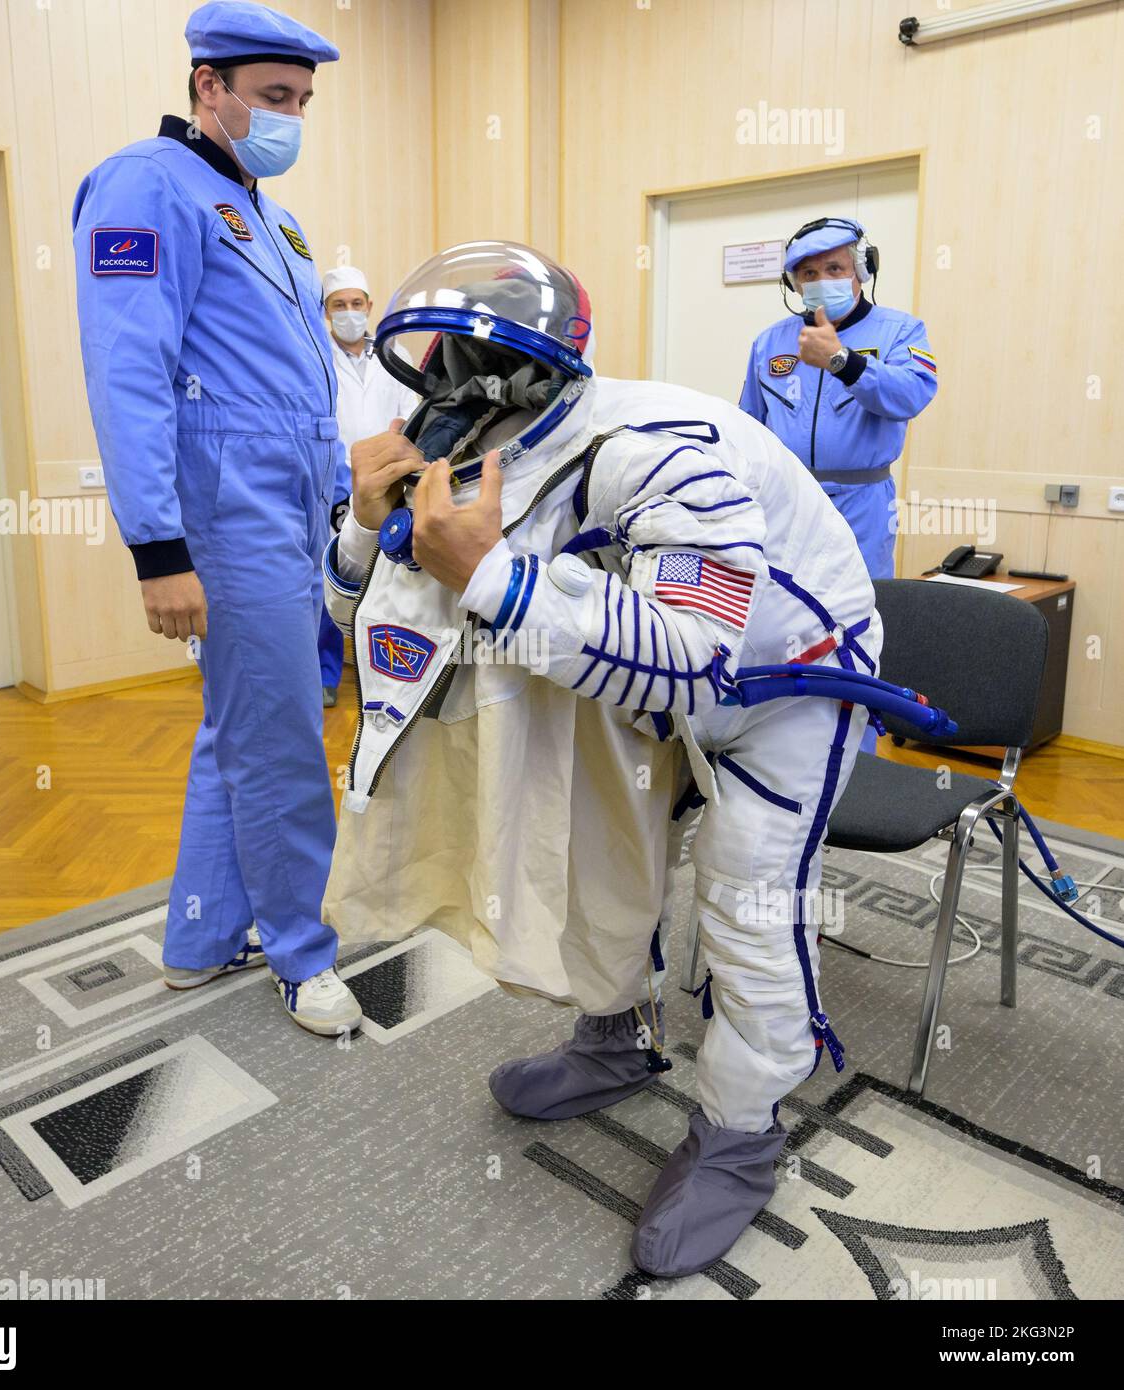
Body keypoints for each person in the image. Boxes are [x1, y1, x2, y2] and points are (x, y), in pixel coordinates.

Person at [321, 240, 885, 1276]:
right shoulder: (484, 438)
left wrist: (484, 571)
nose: (443, 399)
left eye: (460, 371)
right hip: (631, 674)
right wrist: (363, 528)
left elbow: (688, 655)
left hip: (791, 685)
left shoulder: (655, 446)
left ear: (521, 369)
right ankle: (615, 1038)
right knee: (595, 853)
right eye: (433, 374)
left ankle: (741, 1129)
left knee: (744, 899)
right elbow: (368, 611)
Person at [71, 0, 361, 1036]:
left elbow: (299, 382)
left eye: (302, 102)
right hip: (223, 509)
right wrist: (159, 548)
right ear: (209, 86)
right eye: (272, 98)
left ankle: (198, 936)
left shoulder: (269, 217)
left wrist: (338, 497)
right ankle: (300, 949)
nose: (290, 118)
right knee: (281, 733)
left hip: (288, 503)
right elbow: (128, 371)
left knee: (235, 727)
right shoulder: (144, 186)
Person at [739, 216, 938, 581]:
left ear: (861, 271)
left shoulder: (901, 330)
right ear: (794, 284)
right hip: (786, 505)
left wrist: (842, 362)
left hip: (863, 507)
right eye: (809, 273)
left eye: (834, 268)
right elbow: (747, 428)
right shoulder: (769, 342)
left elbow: (912, 394)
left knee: (860, 615)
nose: (821, 281)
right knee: (786, 610)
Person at [315, 265, 419, 706]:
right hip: (330, 481)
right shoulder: (316, 357)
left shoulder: (396, 356)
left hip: (389, 484)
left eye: (357, 304)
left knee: (390, 579)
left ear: (370, 307)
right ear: (326, 311)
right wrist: (341, 476)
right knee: (332, 574)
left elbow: (412, 413)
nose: (350, 313)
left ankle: (384, 670)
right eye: (339, 305)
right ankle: (324, 676)